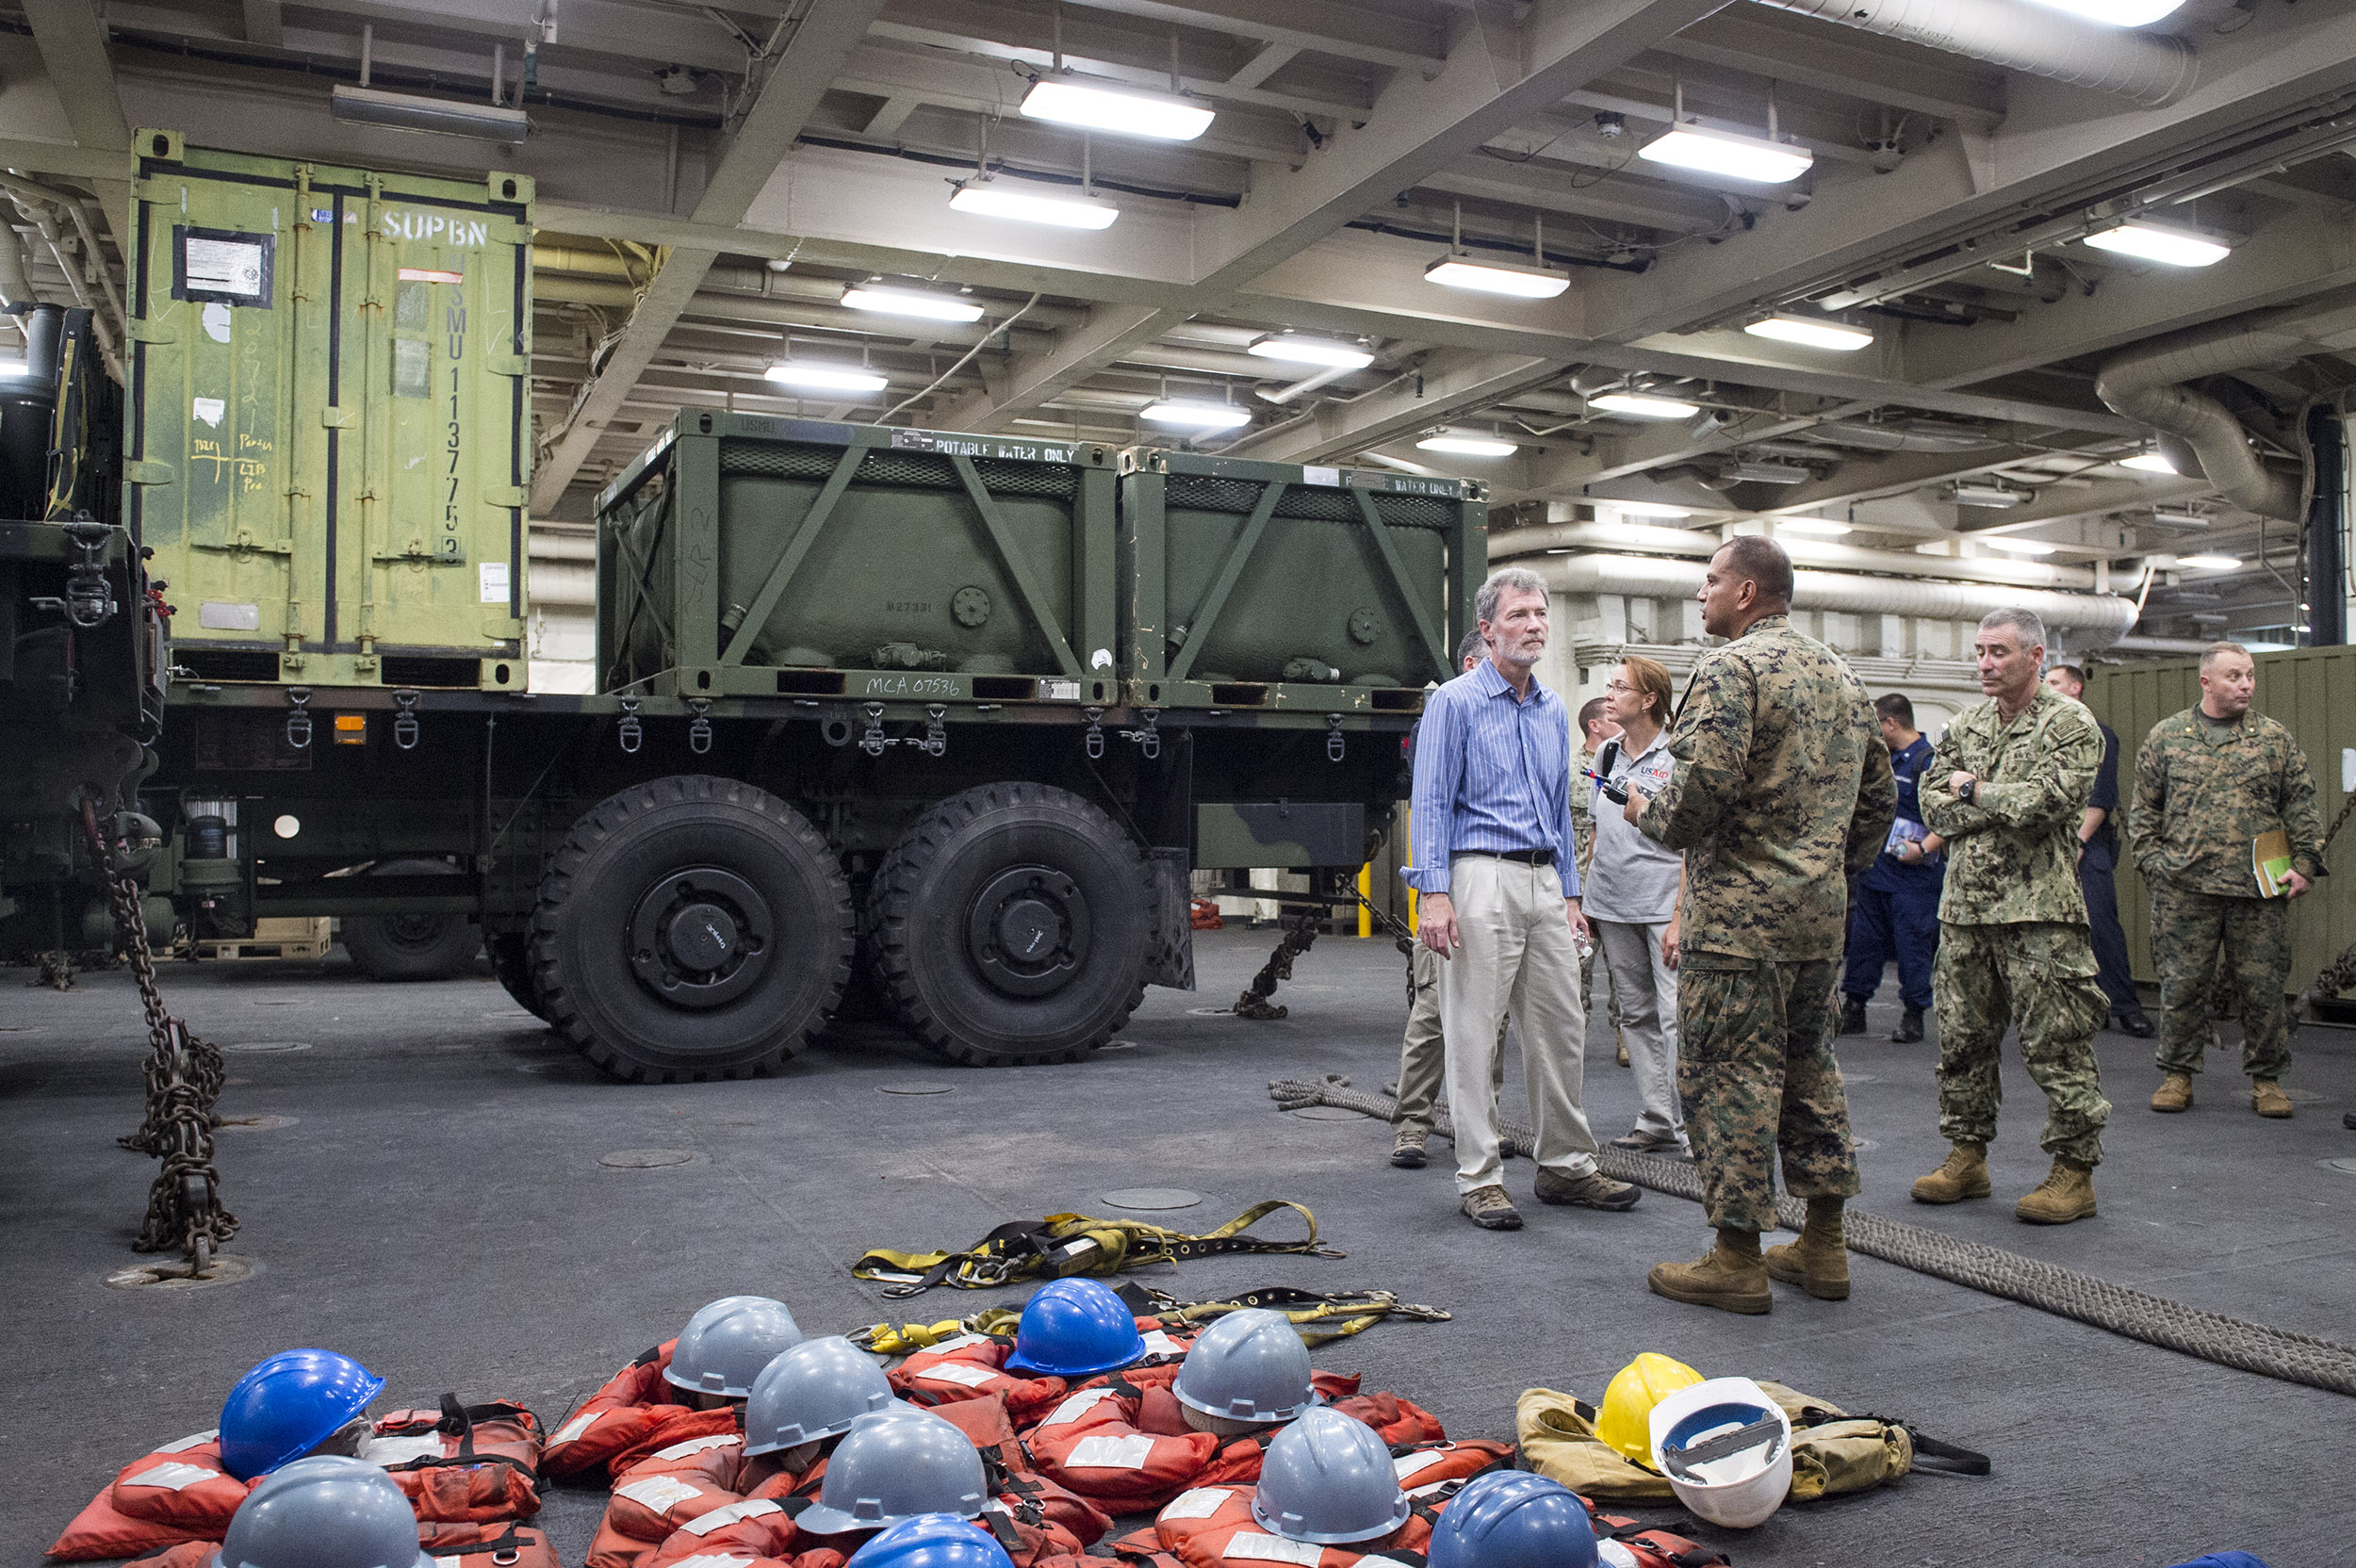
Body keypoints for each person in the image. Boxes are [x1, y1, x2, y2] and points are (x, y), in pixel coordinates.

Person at [1627, 537, 1893, 1313]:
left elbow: (1694, 801)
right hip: (1818, 922)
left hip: (1737, 926)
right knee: (1812, 1071)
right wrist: (1829, 876)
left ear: (1747, 592)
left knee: (1727, 1077)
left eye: (1711, 581)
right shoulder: (1843, 675)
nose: (1701, 594)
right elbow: (1877, 803)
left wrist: (1647, 811)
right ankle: (1823, 1244)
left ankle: (1737, 1255)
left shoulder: (1729, 671)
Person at [1404, 566, 1641, 1231]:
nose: (1534, 624)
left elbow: (1558, 812)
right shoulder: (1454, 701)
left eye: (1540, 613)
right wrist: (1434, 895)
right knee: (1474, 1034)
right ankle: (1479, 1176)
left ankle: (1565, 1165)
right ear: (1487, 629)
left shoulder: (1553, 707)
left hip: (1544, 882)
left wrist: (1570, 893)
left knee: (1562, 1029)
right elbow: (1429, 802)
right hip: (1478, 875)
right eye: (1519, 616)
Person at [1915, 610, 2112, 1225]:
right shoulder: (1966, 723)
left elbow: (2047, 804)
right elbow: (1930, 804)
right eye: (1979, 652)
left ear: (2036, 656)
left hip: (2039, 914)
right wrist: (1983, 797)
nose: (1984, 664)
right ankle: (1967, 1156)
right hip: (1965, 912)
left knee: (2057, 1045)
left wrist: (1971, 790)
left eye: (1998, 651)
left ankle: (2074, 1173)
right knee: (1962, 1043)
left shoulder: (2071, 724)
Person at [2131, 642, 2328, 1119]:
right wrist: (2154, 865)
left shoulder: (2272, 739)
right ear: (2206, 682)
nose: (2246, 685)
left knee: (2262, 988)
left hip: (2256, 889)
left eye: (2250, 676)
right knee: (2181, 986)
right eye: (2235, 676)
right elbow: (2144, 811)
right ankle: (2177, 1075)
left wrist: (2303, 864)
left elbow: (2300, 803)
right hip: (2185, 889)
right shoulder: (2167, 737)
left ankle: (2267, 1080)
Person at [1391, 632, 1508, 1169]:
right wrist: (1433, 895)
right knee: (1434, 1013)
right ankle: (1412, 1124)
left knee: (1493, 1016)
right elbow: (1431, 806)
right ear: (1471, 663)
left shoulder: (1517, 715)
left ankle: (1480, 1121)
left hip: (1497, 888)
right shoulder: (1441, 717)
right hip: (1449, 886)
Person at [1584, 655, 1689, 1157]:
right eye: (1609, 685)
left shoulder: (1679, 758)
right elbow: (1598, 831)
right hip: (1611, 902)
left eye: (1620, 687)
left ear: (1649, 700)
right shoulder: (1606, 753)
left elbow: (1694, 844)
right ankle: (1656, 1119)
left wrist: (1678, 917)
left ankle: (1692, 1127)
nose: (1609, 694)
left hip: (1661, 903)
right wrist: (1584, 900)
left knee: (1675, 1016)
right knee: (1637, 1014)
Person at [2046, 663, 2154, 1037]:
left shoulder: (2098, 734)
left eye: (2055, 681)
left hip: (2085, 846)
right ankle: (2073, 1006)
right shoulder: (2044, 733)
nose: (2048, 687)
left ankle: (2125, 1007)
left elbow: (2101, 798)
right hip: (2048, 842)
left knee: (2101, 926)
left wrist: (2077, 842)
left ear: (2076, 687)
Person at [1839, 694, 1944, 1044]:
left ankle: (1914, 1014)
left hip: (1914, 877)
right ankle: (1855, 1007)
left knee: (1912, 946)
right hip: (1876, 870)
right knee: (1864, 944)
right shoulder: (1882, 761)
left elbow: (1947, 817)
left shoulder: (1927, 763)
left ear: (1890, 724)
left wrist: (1924, 848)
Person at [1573, 697, 1628, 1067]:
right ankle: (1572, 1039)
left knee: (1624, 969)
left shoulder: (1625, 764)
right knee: (1577, 968)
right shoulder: (1569, 768)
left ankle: (1627, 1038)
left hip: (1616, 878)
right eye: (1610, 717)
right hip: (1577, 883)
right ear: (1595, 725)